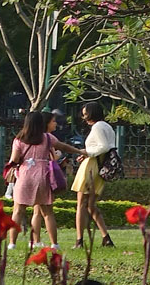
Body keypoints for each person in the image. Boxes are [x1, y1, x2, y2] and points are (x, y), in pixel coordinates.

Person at [6, 110, 85, 250]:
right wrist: (79, 151)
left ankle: (12, 243)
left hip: (24, 175)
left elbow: (15, 159)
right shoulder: (47, 138)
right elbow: (63, 146)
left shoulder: (19, 139)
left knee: (18, 211)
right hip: (42, 175)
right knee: (47, 212)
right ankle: (54, 243)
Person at [72, 101, 116, 248]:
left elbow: (103, 146)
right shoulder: (107, 126)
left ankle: (79, 240)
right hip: (100, 164)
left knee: (81, 204)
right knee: (91, 205)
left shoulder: (97, 127)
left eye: (86, 114)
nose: (84, 117)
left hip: (92, 166)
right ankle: (106, 237)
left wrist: (86, 152)